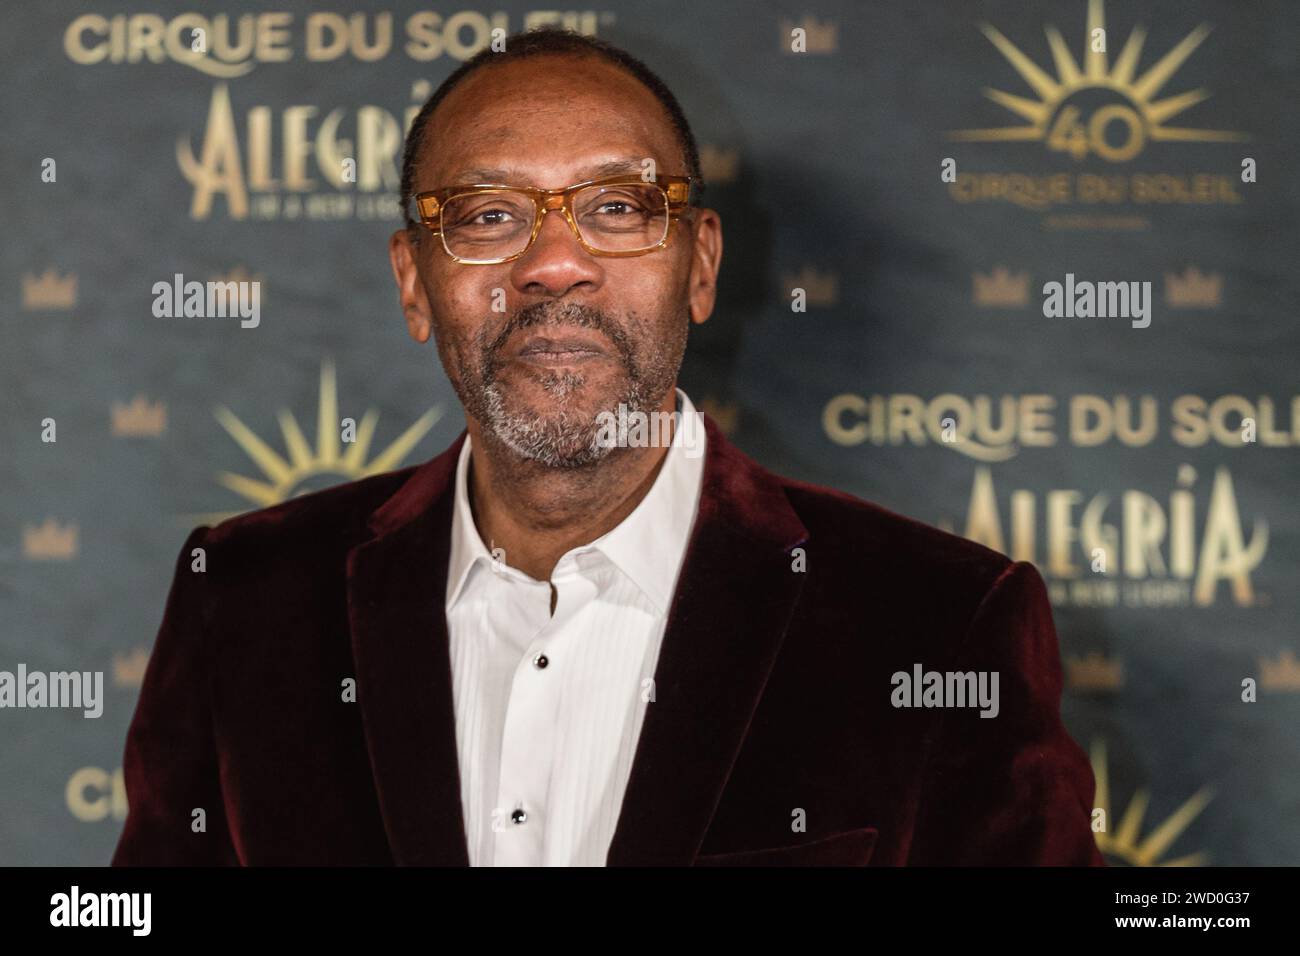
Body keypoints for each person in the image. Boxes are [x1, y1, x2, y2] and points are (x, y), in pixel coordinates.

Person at [112, 27, 1103, 867]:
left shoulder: (938, 620)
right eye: (487, 214)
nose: (553, 263)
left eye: (618, 209)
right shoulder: (242, 598)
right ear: (413, 282)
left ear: (699, 266)